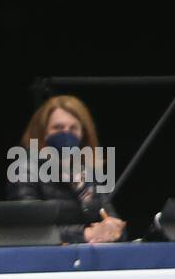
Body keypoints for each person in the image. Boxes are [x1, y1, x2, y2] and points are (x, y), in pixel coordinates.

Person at [9, 95, 126, 244]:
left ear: (83, 133)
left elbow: (114, 225)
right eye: (58, 128)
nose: (66, 133)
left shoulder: (89, 173)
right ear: (42, 133)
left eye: (73, 128)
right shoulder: (25, 169)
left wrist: (113, 231)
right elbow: (28, 228)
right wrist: (86, 234)